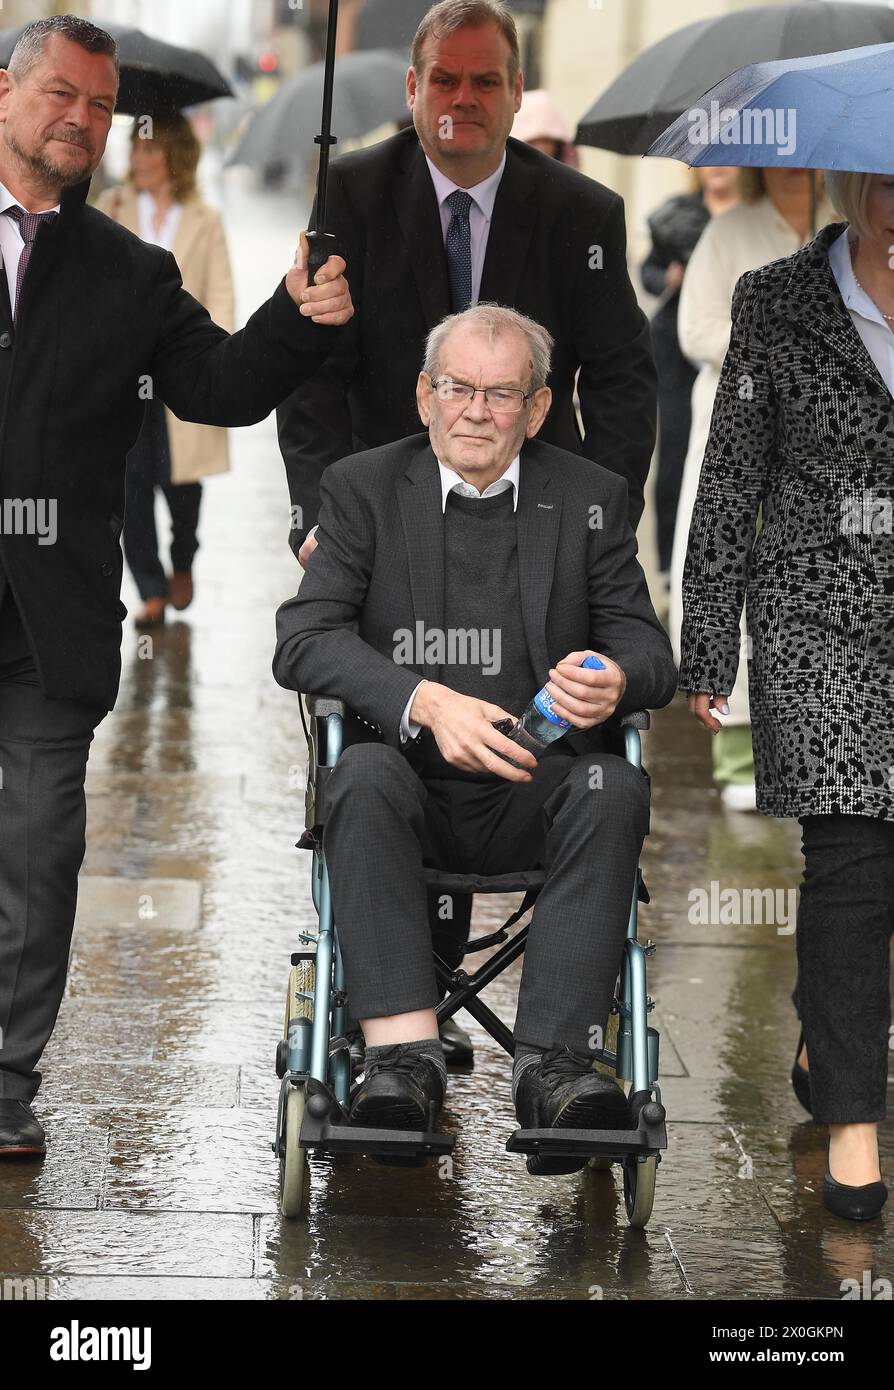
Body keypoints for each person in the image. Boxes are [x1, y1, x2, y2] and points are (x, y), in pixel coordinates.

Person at [0, 16, 352, 1158]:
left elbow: (222, 386)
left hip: (46, 629)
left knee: (42, 839)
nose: (82, 120)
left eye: (100, 107)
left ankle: (4, 1080)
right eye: (60, 94)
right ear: (6, 95)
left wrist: (297, 314)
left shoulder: (130, 273)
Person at [273, 304, 677, 1172]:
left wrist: (617, 680)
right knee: (363, 777)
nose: (477, 412)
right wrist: (424, 699)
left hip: (541, 784)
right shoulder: (363, 488)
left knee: (617, 788)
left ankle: (560, 1069)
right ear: (425, 395)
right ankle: (401, 1062)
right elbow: (303, 639)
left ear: (537, 410)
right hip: (405, 788)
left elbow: (648, 650)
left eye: (503, 395)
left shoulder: (589, 499)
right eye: (459, 388)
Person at [680, 170, 894, 1222]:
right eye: (888, 180)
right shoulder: (775, 298)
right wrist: (709, 644)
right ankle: (856, 1124)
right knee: (852, 849)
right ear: (853, 180)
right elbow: (731, 477)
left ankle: (830, 1028)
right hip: (818, 608)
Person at [277, 0, 656, 563]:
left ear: (517, 91)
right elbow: (311, 372)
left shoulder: (581, 214)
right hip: (381, 527)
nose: (464, 99)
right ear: (413, 87)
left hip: (540, 532)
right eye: (445, 79)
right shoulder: (352, 194)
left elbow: (622, 380)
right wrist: (320, 519)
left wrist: (601, 524)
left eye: (486, 81)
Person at [671, 167, 836, 812]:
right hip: (741, 427)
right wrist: (786, 349)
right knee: (732, 571)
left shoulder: (849, 231)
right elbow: (696, 330)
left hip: (825, 438)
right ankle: (737, 747)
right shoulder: (729, 230)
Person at [97, 113, 235, 628]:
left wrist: (212, 352)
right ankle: (150, 589)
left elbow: (220, 290)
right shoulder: (112, 208)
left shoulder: (205, 218)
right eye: (135, 149)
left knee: (182, 486)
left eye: (150, 150)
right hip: (128, 375)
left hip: (182, 368)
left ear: (174, 157)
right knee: (131, 485)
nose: (140, 159)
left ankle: (183, 561)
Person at [640, 167, 738, 582]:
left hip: (734, 350)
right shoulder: (677, 216)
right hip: (677, 349)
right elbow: (649, 271)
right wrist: (667, 277)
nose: (717, 170)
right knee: (677, 452)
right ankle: (669, 563)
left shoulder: (749, 221)